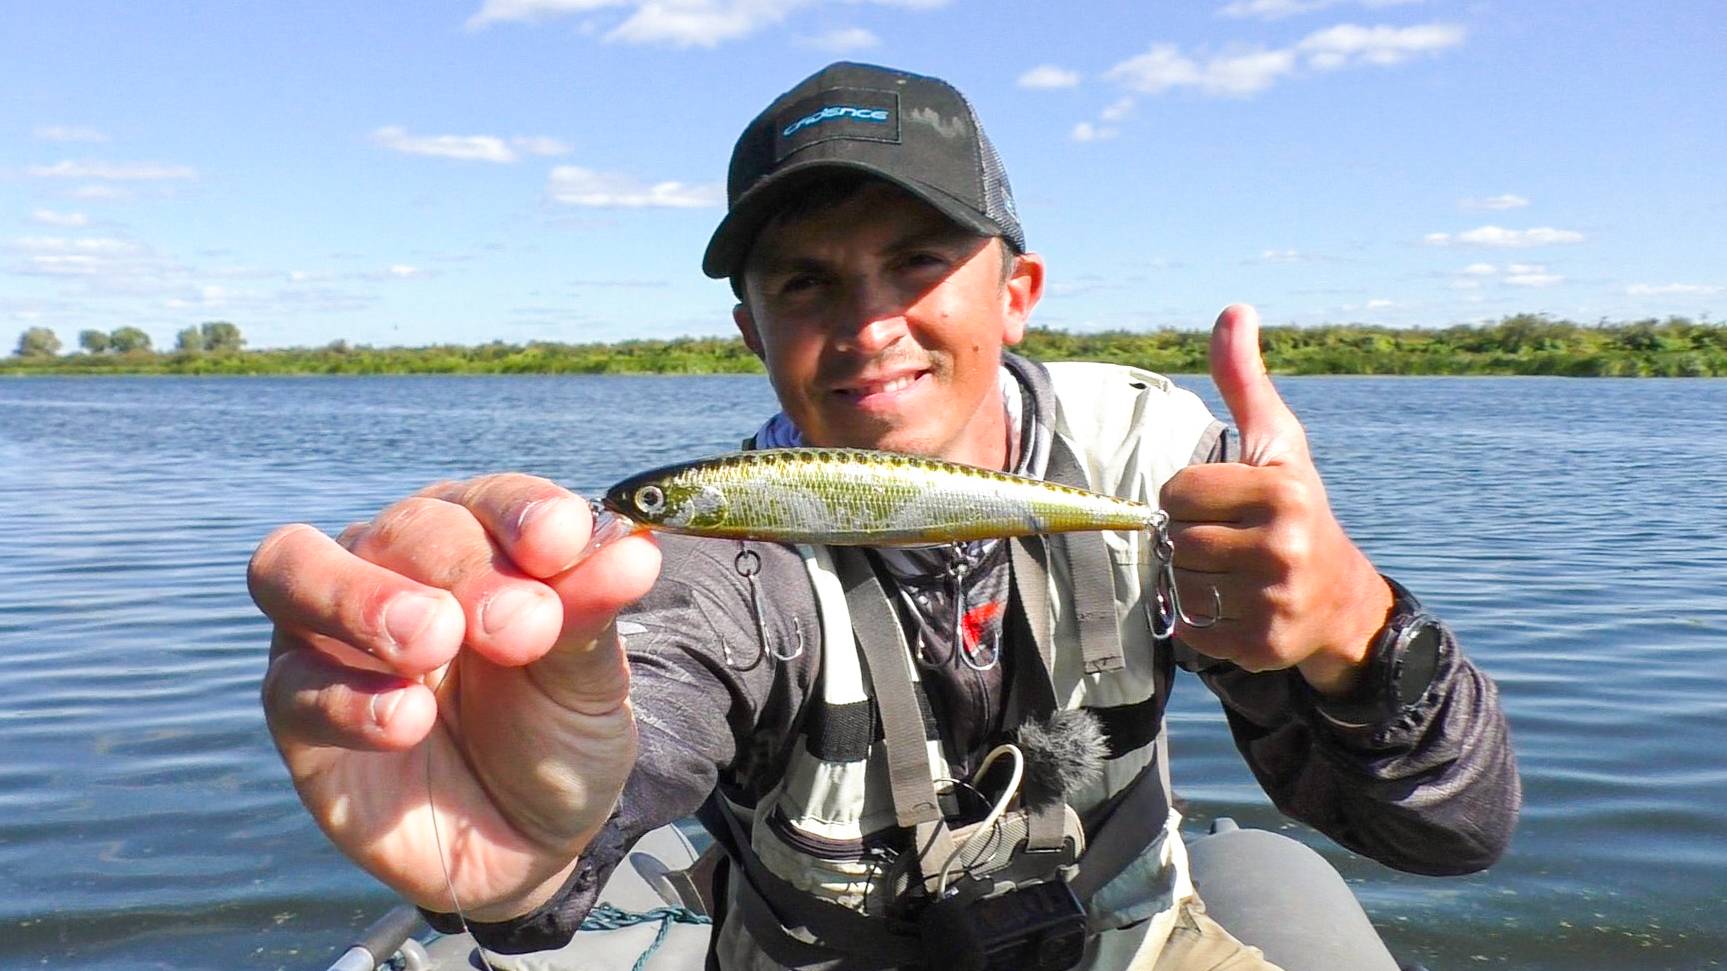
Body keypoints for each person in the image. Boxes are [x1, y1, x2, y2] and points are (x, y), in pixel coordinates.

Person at [251, 62, 1519, 970]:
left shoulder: (1161, 473)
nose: (866, 328)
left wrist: (1359, 633)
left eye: (916, 262)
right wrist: (539, 839)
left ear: (1015, 289)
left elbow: (1449, 832)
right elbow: (654, 686)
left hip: (1132, 946)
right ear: (750, 331)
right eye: (805, 283)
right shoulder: (705, 547)